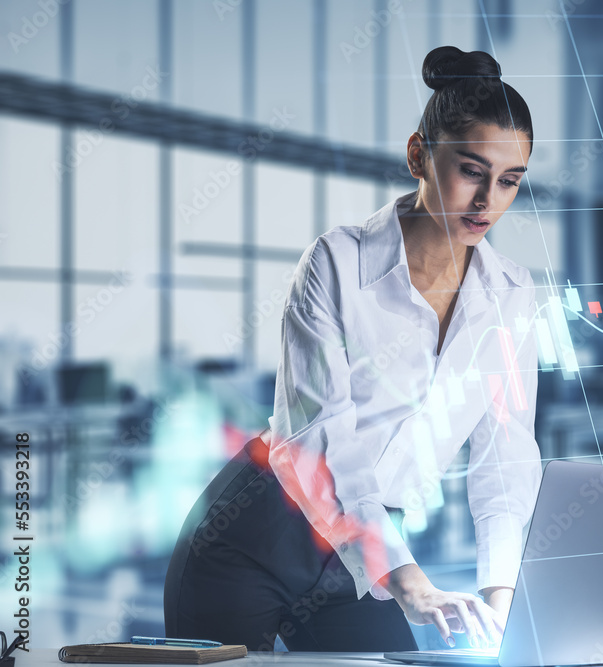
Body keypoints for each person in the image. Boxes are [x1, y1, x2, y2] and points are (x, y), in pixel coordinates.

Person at [163, 45, 542, 653]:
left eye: (509, 181)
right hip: (255, 536)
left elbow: (506, 460)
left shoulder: (512, 297)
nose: (487, 202)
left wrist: (502, 599)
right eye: (471, 171)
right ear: (418, 155)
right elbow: (315, 437)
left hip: (364, 558)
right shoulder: (336, 262)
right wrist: (413, 583)